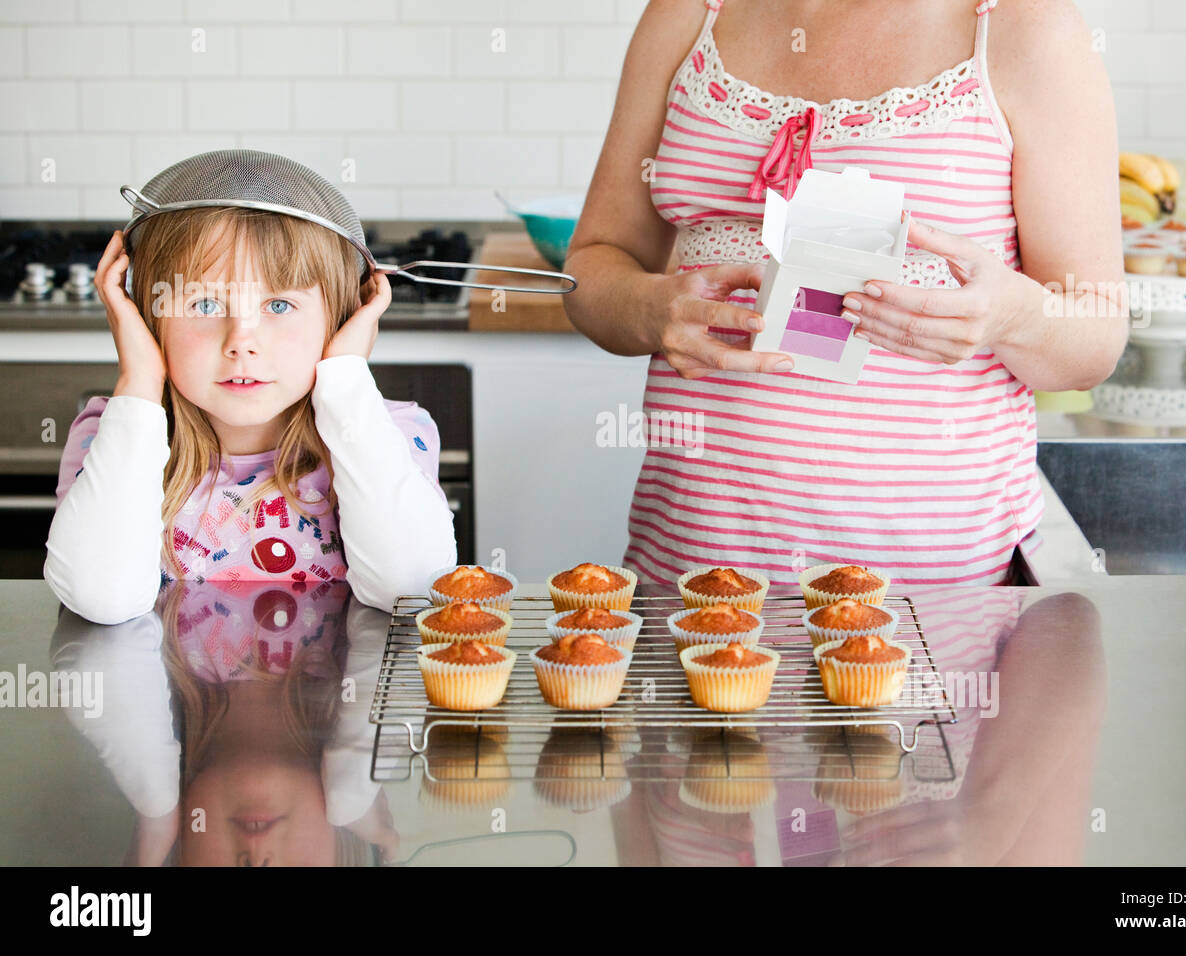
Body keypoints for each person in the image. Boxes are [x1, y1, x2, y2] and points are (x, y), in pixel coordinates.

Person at [564, 0, 1128, 588]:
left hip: (929, 582)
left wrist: (1010, 316)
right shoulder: (689, 14)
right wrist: (650, 310)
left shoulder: (1027, 27)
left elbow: (1095, 338)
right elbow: (592, 269)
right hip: (693, 569)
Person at [44, 163, 458, 624]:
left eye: (279, 305)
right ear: (149, 320)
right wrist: (139, 380)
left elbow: (411, 588)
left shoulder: (390, 435)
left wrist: (347, 378)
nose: (241, 340)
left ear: (340, 317)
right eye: (204, 304)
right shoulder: (111, 436)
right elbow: (101, 598)